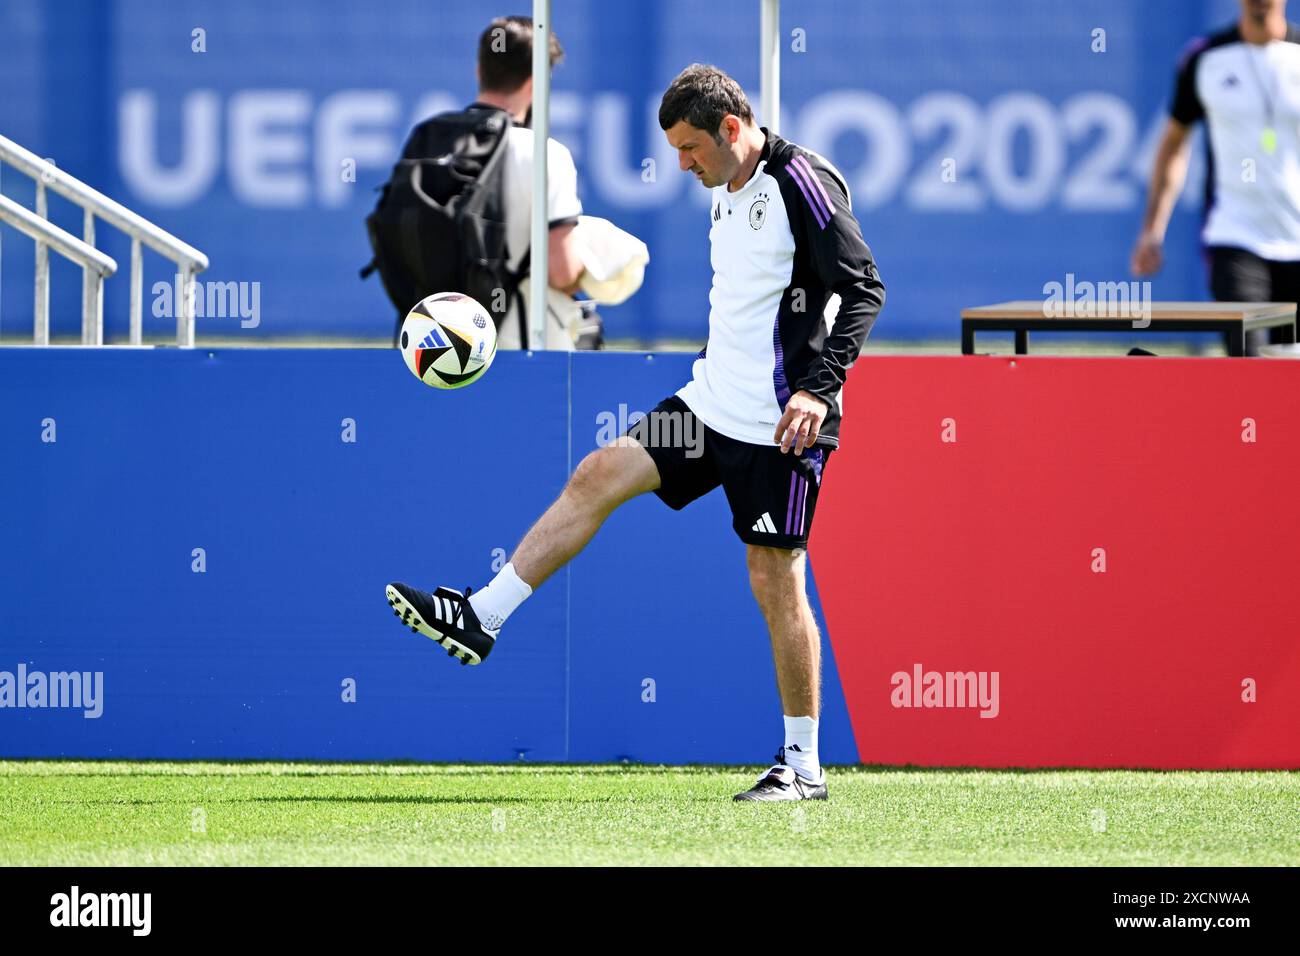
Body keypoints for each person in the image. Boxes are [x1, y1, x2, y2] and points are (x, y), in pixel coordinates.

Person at [385, 64, 885, 802]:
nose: (682, 164)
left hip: (780, 425)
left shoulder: (800, 183)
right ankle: (482, 615)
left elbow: (864, 283)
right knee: (597, 474)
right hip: (711, 405)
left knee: (774, 580)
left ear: (733, 130)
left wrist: (819, 386)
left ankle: (804, 767)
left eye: (691, 148)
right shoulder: (724, 188)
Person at [1132, 0, 1300, 355]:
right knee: (1247, 368)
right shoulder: (1205, 58)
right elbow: (1174, 144)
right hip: (1235, 238)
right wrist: (1153, 229)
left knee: (1291, 374)